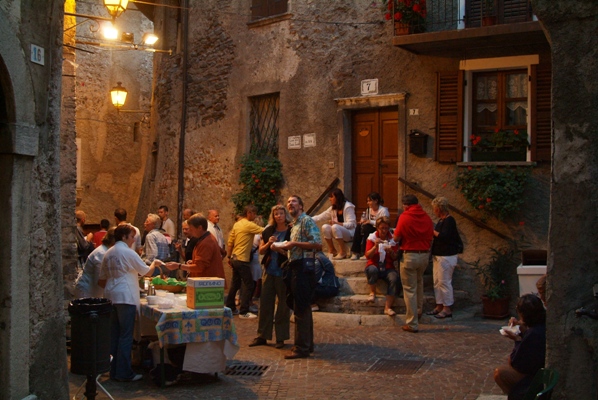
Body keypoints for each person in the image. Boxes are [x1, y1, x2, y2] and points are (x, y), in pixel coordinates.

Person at [99, 224, 159, 382]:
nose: (133, 240)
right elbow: (146, 271)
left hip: (111, 295)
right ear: (124, 237)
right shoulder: (127, 252)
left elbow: (103, 277)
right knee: (125, 336)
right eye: (132, 237)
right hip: (125, 296)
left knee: (114, 335)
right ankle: (124, 372)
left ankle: (113, 371)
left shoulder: (109, 253)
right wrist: (155, 264)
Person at [279, 195, 322, 359]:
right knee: (302, 306)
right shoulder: (295, 224)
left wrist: (294, 244)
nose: (290, 204)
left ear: (301, 206)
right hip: (295, 266)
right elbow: (294, 249)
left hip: (303, 269)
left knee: (301, 307)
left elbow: (317, 244)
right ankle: (306, 345)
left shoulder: (306, 221)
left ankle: (301, 348)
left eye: (294, 201)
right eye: (288, 202)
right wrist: (282, 249)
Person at [249, 205, 291, 349]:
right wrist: (269, 243)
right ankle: (262, 335)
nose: (279, 216)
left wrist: (278, 249)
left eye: (281, 213)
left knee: (283, 306)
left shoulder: (291, 231)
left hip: (283, 271)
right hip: (269, 270)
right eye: (276, 214)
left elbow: (291, 253)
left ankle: (281, 336)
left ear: (285, 215)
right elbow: (261, 250)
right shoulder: (268, 231)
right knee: (265, 303)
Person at [393, 194, 433, 333]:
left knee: (409, 289)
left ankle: (412, 323)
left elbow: (397, 237)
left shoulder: (405, 217)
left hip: (409, 254)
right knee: (419, 283)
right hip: (424, 255)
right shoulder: (426, 217)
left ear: (406, 205)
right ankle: (419, 310)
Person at [494, 294, 546, 400]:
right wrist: (523, 328)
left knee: (500, 373)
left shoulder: (533, 334)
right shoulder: (541, 325)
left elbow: (516, 363)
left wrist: (517, 340)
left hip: (534, 378)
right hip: (538, 372)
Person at [225, 205, 264, 319]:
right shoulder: (249, 224)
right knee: (249, 284)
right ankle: (244, 311)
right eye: (254, 213)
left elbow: (230, 241)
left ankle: (230, 307)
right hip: (242, 259)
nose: (255, 215)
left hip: (234, 257)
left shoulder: (237, 224)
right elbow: (264, 231)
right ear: (249, 213)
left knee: (235, 283)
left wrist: (229, 256)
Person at [428, 196, 461, 319]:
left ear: (439, 209)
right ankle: (439, 305)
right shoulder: (441, 221)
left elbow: (445, 236)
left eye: (435, 209)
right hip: (438, 255)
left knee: (444, 282)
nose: (434, 211)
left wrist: (432, 231)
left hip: (447, 256)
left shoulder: (449, 221)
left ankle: (447, 308)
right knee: (437, 282)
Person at [165, 213, 225, 279]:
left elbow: (199, 267)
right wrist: (193, 262)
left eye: (191, 229)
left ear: (199, 228)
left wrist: (178, 266)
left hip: (208, 283)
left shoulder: (206, 242)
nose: (190, 231)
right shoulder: (206, 238)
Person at [364, 217, 400, 316]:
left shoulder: (392, 239)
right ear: (377, 228)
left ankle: (388, 307)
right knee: (372, 270)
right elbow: (368, 255)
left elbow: (395, 257)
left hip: (388, 266)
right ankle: (372, 292)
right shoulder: (371, 238)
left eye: (386, 228)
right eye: (382, 228)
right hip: (374, 264)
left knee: (394, 277)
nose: (384, 231)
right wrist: (375, 247)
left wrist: (391, 252)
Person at [312, 188, 356, 259]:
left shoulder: (348, 207)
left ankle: (343, 252)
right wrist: (306, 219)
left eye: (332, 197)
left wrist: (338, 223)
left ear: (337, 197)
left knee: (335, 226)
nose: (330, 199)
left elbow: (351, 224)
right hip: (338, 231)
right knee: (325, 227)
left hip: (350, 233)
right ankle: (332, 250)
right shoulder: (333, 208)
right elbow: (320, 217)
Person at [74, 228, 115, 298]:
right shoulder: (101, 253)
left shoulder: (106, 251)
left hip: (93, 292)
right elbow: (100, 280)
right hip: (87, 292)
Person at [350, 192, 390, 260]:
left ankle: (366, 251)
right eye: (367, 201)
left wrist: (370, 222)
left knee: (367, 229)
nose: (368, 203)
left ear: (376, 201)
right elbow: (366, 219)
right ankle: (356, 252)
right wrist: (363, 221)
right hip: (369, 227)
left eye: (370, 201)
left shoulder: (383, 211)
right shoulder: (368, 210)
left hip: (379, 229)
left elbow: (384, 223)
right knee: (359, 227)